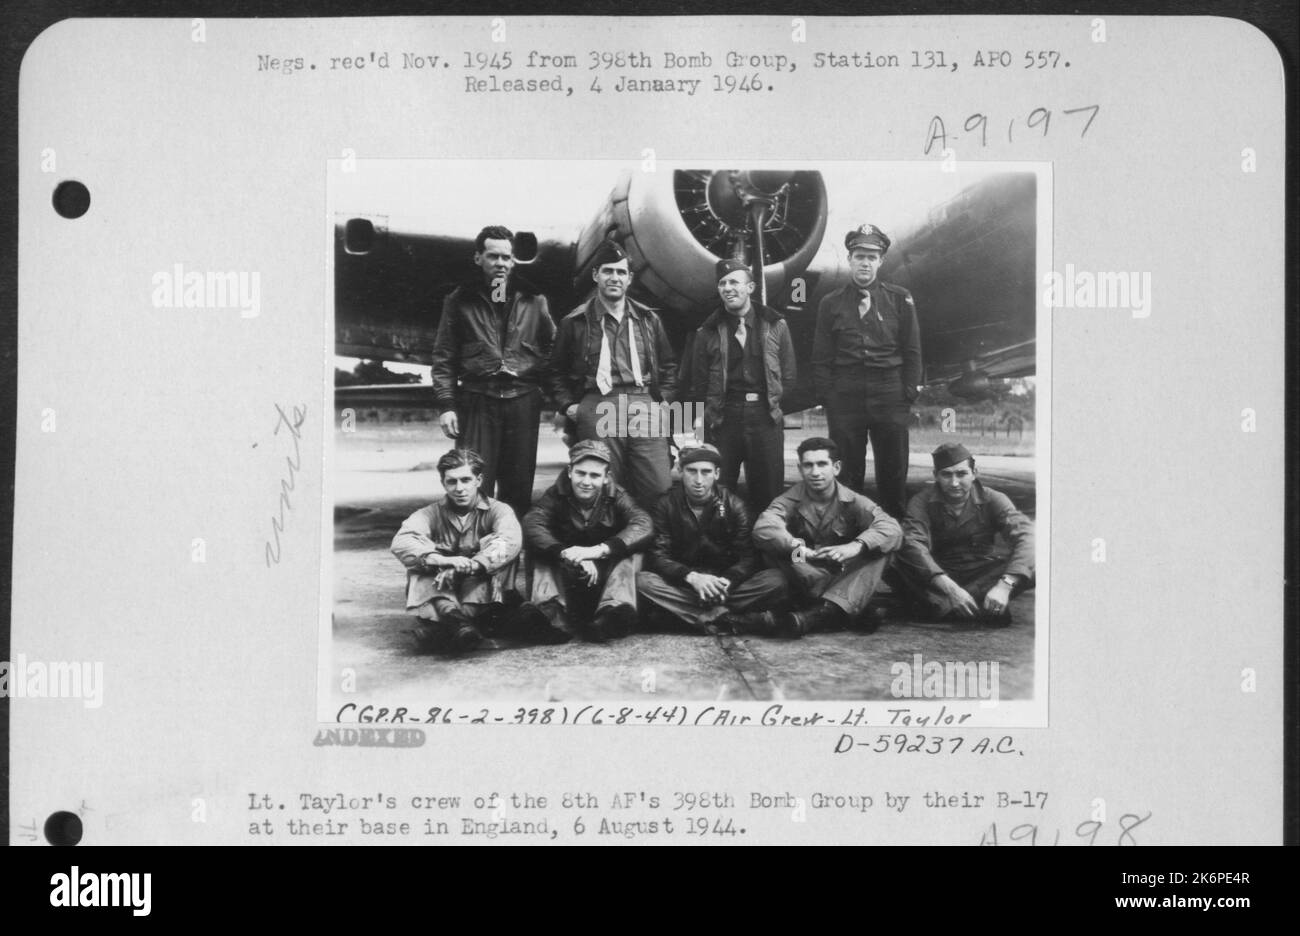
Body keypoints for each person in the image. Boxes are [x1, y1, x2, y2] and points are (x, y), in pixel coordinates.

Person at [430, 225, 555, 519]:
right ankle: (476, 556)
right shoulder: (459, 300)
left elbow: (553, 349)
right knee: (473, 478)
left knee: (518, 486)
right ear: (478, 258)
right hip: (477, 399)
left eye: (506, 257)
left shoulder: (535, 299)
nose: (500, 263)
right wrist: (447, 405)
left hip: (522, 399)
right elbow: (444, 355)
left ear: (514, 261)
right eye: (493, 256)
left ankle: (509, 551)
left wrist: (546, 386)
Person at [546, 241, 678, 508]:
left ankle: (652, 546)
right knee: (604, 485)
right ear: (596, 275)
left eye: (620, 272)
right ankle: (611, 547)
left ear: (630, 279)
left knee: (659, 485)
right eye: (608, 271)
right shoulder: (574, 322)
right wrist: (569, 406)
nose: (614, 278)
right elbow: (554, 372)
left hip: (643, 403)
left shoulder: (649, 319)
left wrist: (663, 399)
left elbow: (668, 366)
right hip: (598, 402)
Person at [811, 224, 922, 518]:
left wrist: (906, 394)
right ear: (849, 259)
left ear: (881, 261)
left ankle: (893, 537)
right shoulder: (830, 303)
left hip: (889, 393)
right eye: (859, 255)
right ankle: (849, 536)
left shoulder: (901, 299)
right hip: (846, 397)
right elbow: (821, 356)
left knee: (893, 472)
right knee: (847, 473)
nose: (865, 262)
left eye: (872, 257)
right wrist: (829, 396)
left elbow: (912, 351)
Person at [751, 437, 902, 637]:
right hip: (803, 570)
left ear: (836, 467)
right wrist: (798, 548)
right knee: (778, 551)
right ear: (800, 468)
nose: (815, 472)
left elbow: (892, 528)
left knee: (882, 550)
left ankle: (823, 613)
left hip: (838, 573)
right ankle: (846, 607)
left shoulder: (853, 500)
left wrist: (855, 546)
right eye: (808, 465)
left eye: (822, 464)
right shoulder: (789, 499)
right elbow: (764, 527)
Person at [636, 443, 789, 632]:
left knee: (776, 579)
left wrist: (726, 581)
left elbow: (748, 556)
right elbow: (658, 556)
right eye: (692, 471)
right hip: (685, 585)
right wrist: (692, 577)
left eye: (706, 472)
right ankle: (728, 619)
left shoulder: (735, 505)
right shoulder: (665, 505)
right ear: (680, 471)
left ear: (717, 474)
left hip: (724, 587)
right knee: (643, 581)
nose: (699, 480)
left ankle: (698, 618)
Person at [390, 448, 524, 654]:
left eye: (465, 480)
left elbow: (509, 541)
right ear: (443, 483)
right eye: (452, 481)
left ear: (478, 480)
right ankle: (457, 623)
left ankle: (444, 630)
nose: (459, 488)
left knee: (499, 557)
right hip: (443, 590)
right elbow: (402, 541)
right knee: (421, 563)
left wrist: (471, 565)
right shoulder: (429, 513)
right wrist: (441, 560)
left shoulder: (499, 510)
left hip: (480, 590)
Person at [689, 259, 797, 513]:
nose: (728, 288)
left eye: (734, 282)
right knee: (718, 491)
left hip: (764, 418)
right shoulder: (706, 331)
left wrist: (772, 408)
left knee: (769, 491)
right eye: (723, 283)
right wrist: (708, 419)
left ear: (750, 287)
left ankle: (766, 548)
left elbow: (789, 376)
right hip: (723, 418)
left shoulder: (776, 325)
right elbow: (699, 382)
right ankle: (722, 547)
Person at [520, 440, 654, 642]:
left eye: (594, 475)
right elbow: (532, 523)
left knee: (633, 552)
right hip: (568, 576)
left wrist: (597, 551)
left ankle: (611, 613)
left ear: (606, 478)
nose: (586, 481)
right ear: (569, 471)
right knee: (539, 550)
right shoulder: (553, 495)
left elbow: (643, 524)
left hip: (603, 577)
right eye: (581, 473)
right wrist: (566, 553)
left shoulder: (617, 496)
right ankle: (548, 614)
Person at [894, 442, 1035, 623]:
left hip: (982, 574)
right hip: (939, 576)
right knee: (896, 554)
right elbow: (914, 545)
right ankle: (979, 606)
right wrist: (951, 590)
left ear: (975, 474)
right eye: (946, 474)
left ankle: (945, 608)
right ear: (935, 476)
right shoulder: (921, 501)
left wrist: (1004, 586)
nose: (954, 483)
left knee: (1037, 559)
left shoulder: (994, 499)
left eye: (961, 474)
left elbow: (1027, 537)